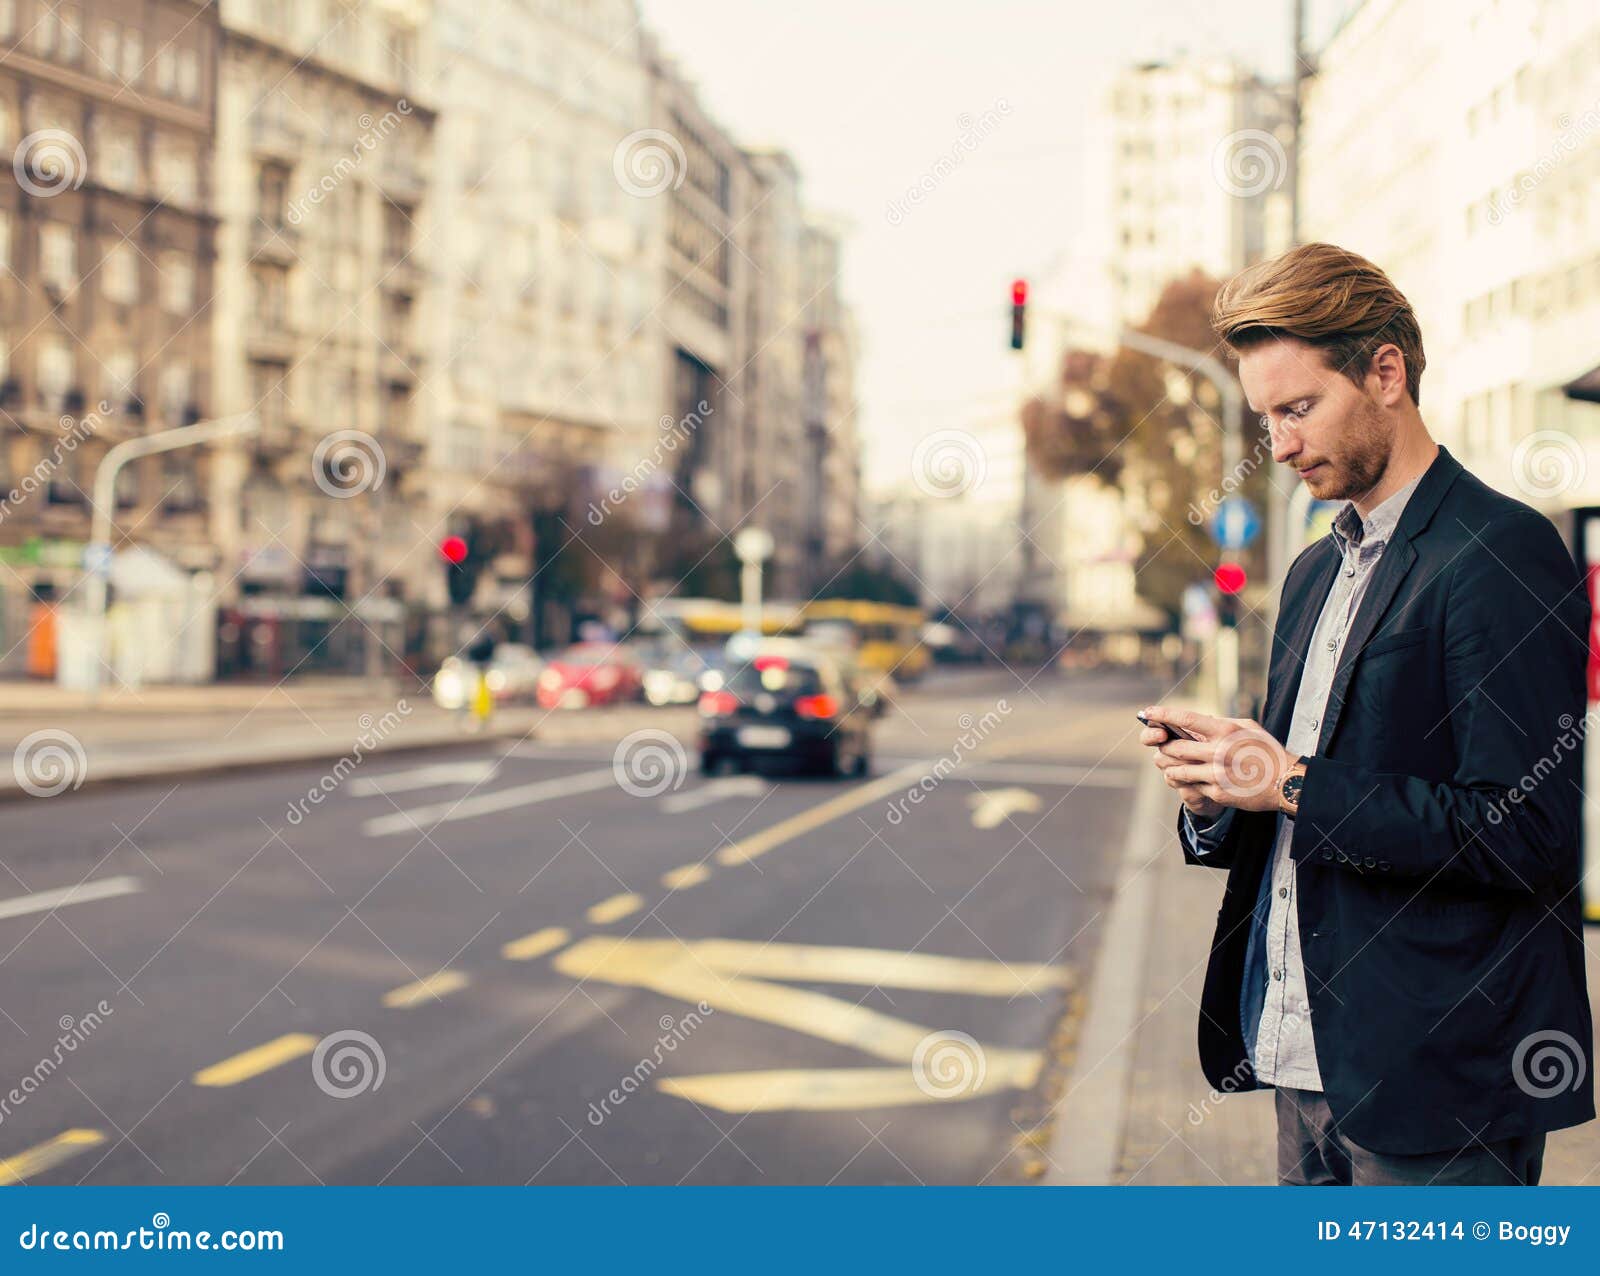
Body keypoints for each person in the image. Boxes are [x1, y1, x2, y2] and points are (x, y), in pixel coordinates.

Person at [1140, 242, 1594, 1186]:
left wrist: (1291, 780)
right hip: (1298, 1056)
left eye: (1299, 409)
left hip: (1439, 1083)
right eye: (1268, 419)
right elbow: (1303, 800)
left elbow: (1526, 833)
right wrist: (1222, 793)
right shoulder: (1313, 572)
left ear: (1386, 371)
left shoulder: (1499, 554)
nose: (1284, 445)